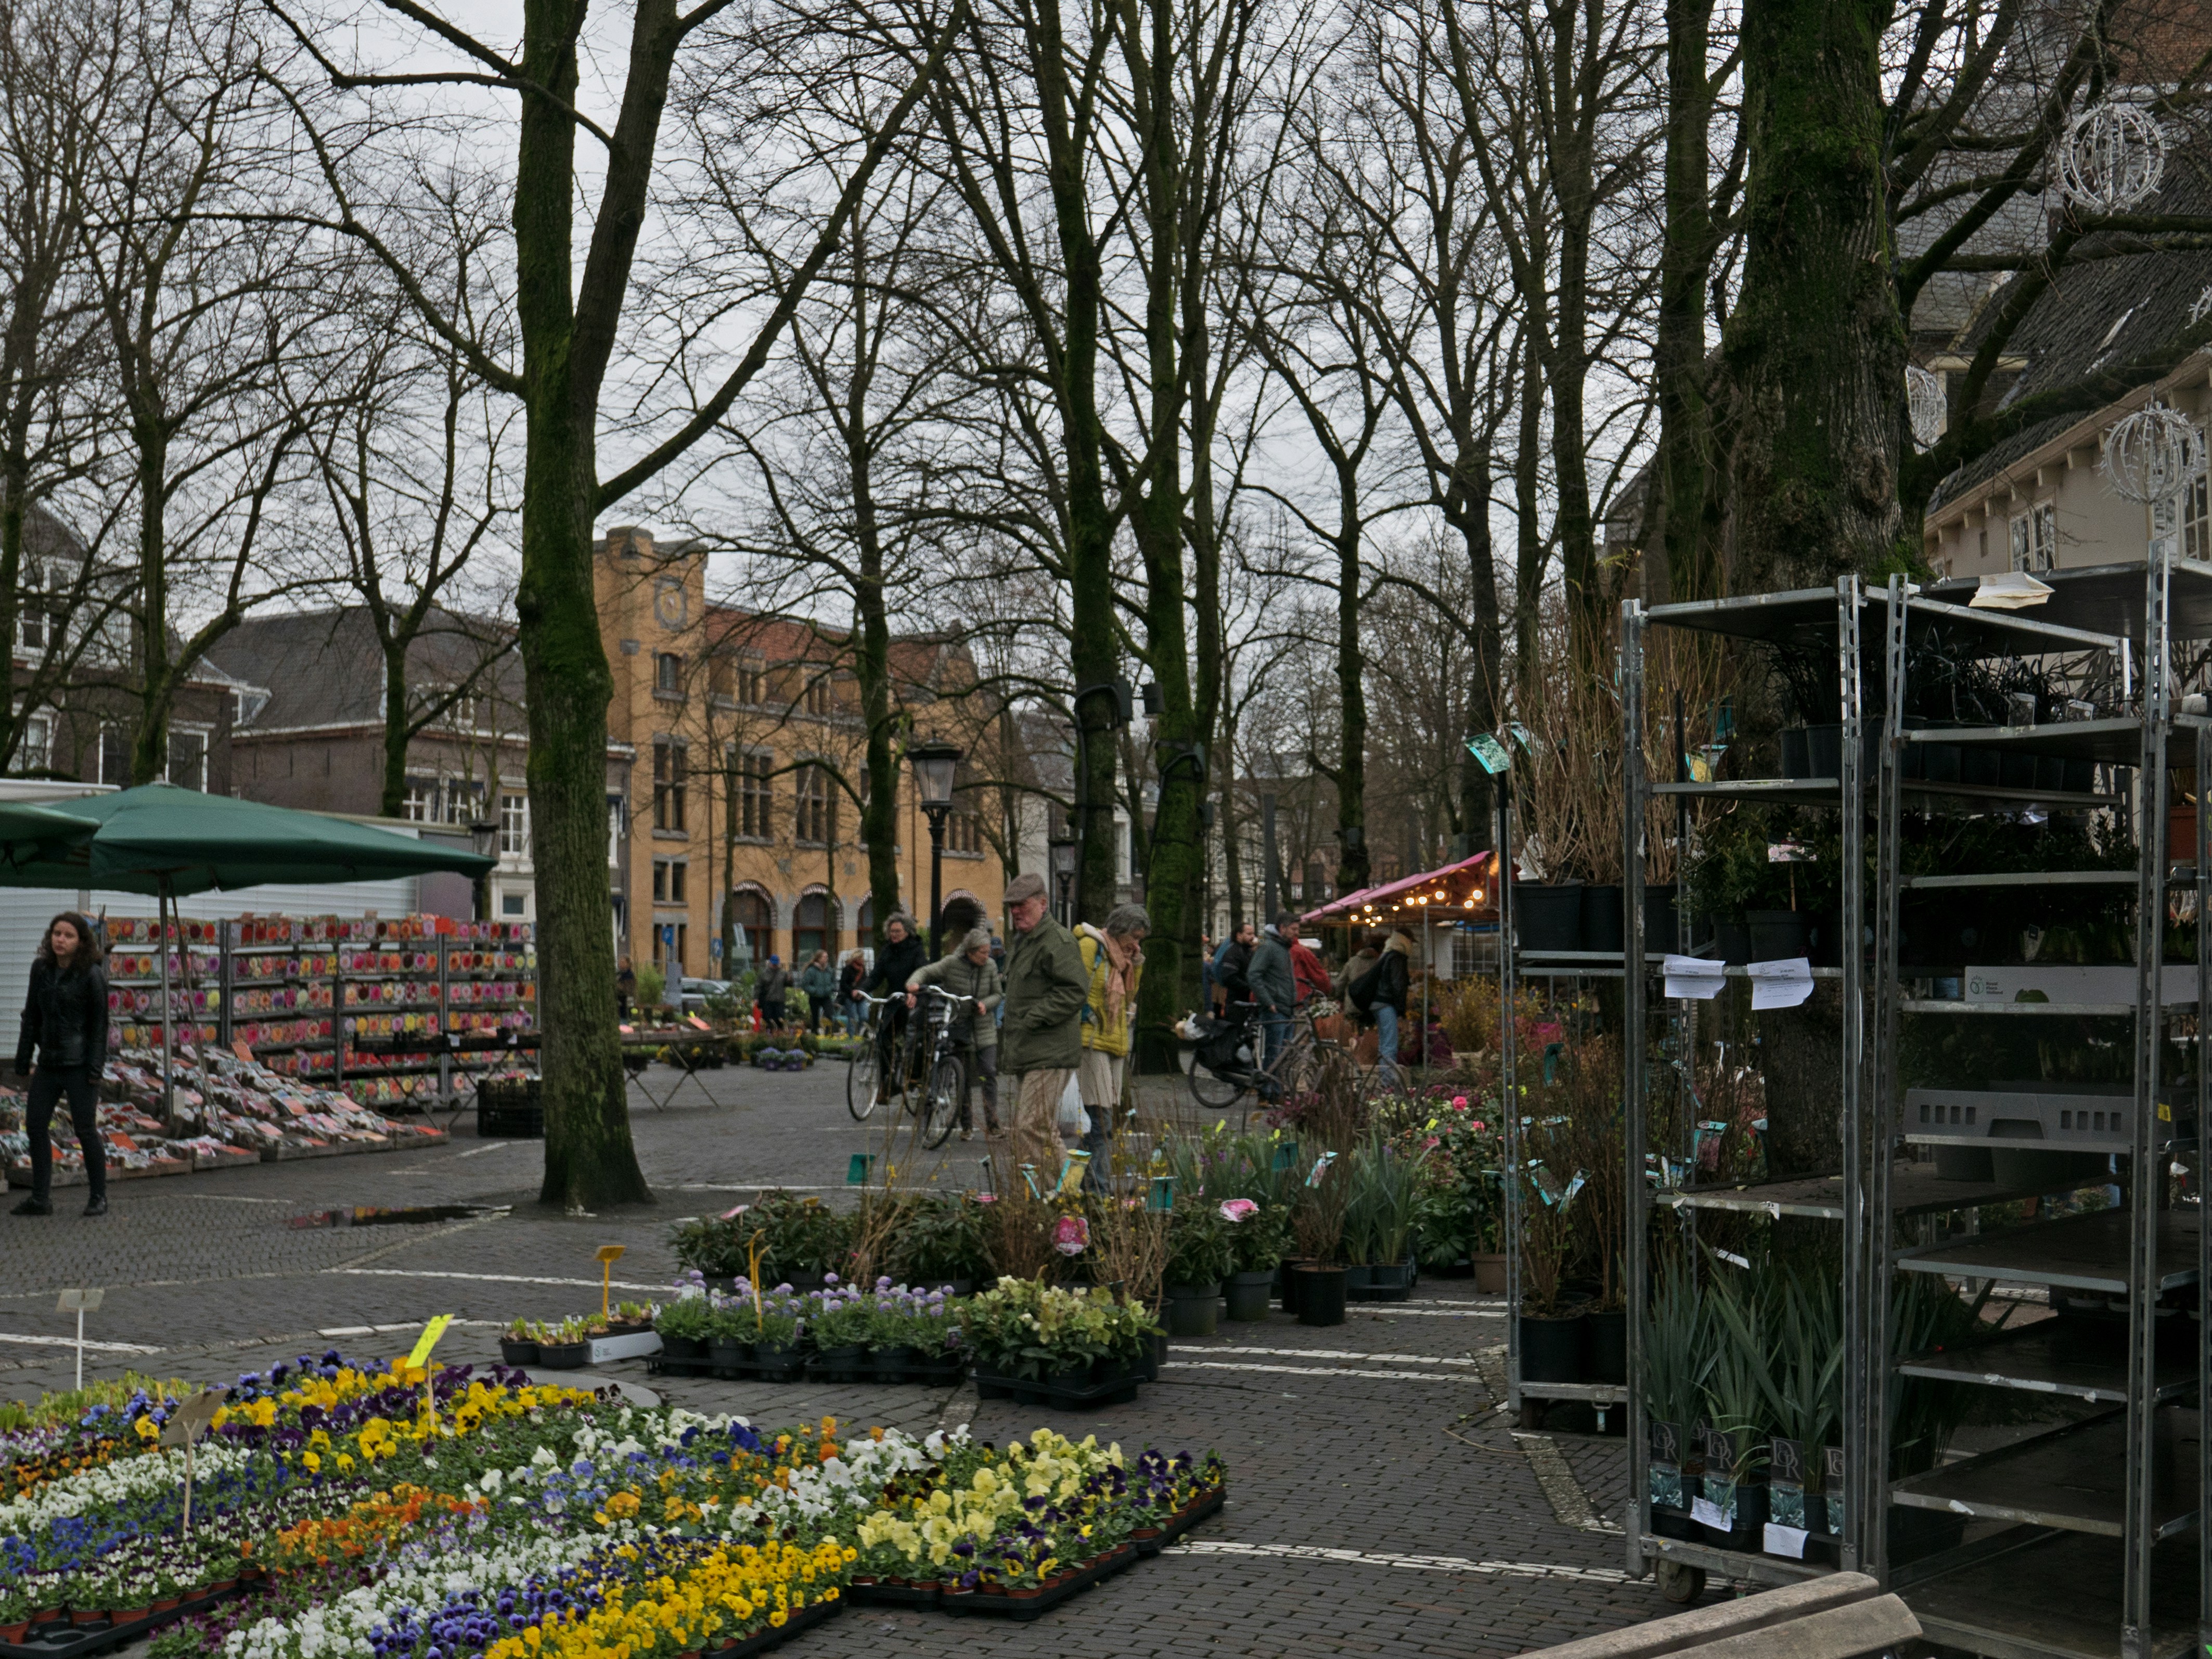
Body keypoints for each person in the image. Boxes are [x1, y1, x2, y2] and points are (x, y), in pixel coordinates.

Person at [12, 912, 110, 1217]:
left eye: (68, 935)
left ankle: (98, 1197)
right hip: (48, 1063)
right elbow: (32, 1016)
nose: (60, 940)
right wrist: (23, 1058)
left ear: (80, 942)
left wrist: (95, 1068)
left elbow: (99, 1027)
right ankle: (41, 1199)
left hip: (80, 1065)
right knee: (35, 1126)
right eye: (56, 934)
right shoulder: (40, 970)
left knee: (85, 1129)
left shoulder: (91, 975)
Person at [997, 873, 1088, 1181]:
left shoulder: (1057, 941)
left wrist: (1033, 1017)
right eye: (1011, 907)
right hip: (1032, 1050)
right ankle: (1049, 1195)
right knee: (1037, 1128)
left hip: (1050, 1051)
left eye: (1021, 905)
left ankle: (1065, 1194)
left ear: (1043, 903)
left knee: (1031, 1126)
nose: (1015, 912)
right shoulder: (1026, 942)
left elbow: (1074, 991)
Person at [905, 926, 1004, 1139]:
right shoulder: (951, 963)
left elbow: (998, 994)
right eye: (983, 953)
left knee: (989, 1073)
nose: (987, 956)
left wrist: (986, 1005)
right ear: (970, 951)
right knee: (964, 1079)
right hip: (960, 1027)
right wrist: (913, 983)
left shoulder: (990, 967)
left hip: (985, 1029)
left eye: (988, 952)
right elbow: (927, 971)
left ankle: (993, 1123)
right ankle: (966, 1125)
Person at [1075, 903, 1148, 1178]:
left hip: (1115, 1042)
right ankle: (1096, 1189)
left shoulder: (1124, 959)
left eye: (1141, 939)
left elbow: (1129, 997)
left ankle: (1080, 1182)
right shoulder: (1091, 947)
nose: (1136, 944)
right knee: (1100, 1121)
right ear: (1119, 931)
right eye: (1135, 937)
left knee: (1103, 1122)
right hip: (1091, 1041)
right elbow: (1076, 988)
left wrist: (1136, 965)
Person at [858, 913, 928, 1098]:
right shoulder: (887, 951)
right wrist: (861, 990)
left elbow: (923, 972)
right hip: (893, 1000)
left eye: (898, 931)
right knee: (882, 1039)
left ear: (907, 932)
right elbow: (876, 976)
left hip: (911, 1000)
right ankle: (887, 1081)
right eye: (892, 932)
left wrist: (915, 993)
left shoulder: (916, 949)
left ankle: (910, 1074)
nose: (894, 935)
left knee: (912, 1040)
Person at [1246, 914, 1296, 1081]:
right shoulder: (1269, 947)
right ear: (1282, 928)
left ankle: (1277, 1090)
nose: (1296, 933)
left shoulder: (1282, 948)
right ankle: (1268, 1091)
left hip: (1285, 1007)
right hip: (1276, 1008)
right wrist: (1269, 1002)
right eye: (1294, 929)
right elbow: (1254, 975)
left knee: (1282, 1053)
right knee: (1274, 1053)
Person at [1368, 929, 1417, 1077]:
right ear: (1405, 941)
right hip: (1386, 1003)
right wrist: (1401, 1010)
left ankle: (1385, 1079)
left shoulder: (1387, 954)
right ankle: (1388, 1083)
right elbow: (1398, 985)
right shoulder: (1397, 957)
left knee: (1385, 1043)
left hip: (1378, 1001)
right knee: (1390, 1045)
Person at [1210, 921, 1255, 1012]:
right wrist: (1250, 988)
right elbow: (1230, 978)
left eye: (1253, 934)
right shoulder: (1233, 952)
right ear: (1239, 935)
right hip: (1237, 1004)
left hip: (1246, 1002)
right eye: (1249, 934)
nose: (1253, 937)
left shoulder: (1248, 952)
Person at [798, 950, 836, 1035]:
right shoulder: (811, 971)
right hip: (815, 997)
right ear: (818, 958)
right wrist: (814, 991)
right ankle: (815, 1033)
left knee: (830, 1015)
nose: (826, 959)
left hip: (826, 997)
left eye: (827, 957)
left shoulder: (829, 970)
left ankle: (829, 1033)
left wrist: (830, 988)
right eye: (824, 957)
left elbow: (834, 982)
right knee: (815, 1016)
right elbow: (805, 985)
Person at [1290, 928, 1331, 1007]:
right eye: (1295, 929)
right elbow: (1319, 976)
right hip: (1299, 1000)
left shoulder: (1268, 950)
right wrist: (1327, 989)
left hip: (1272, 1003)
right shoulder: (1302, 952)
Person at [837, 949, 867, 1035]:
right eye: (861, 958)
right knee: (852, 1018)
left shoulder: (863, 969)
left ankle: (860, 1034)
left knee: (864, 1016)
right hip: (849, 997)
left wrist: (862, 991)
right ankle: (851, 1037)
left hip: (861, 996)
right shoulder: (847, 969)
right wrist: (851, 991)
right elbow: (843, 984)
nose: (863, 960)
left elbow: (866, 981)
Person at [755, 954, 788, 1030]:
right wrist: (756, 998)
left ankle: (780, 1035)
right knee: (768, 1021)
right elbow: (758, 986)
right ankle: (769, 1035)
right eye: (773, 964)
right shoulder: (764, 974)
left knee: (780, 1020)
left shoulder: (783, 973)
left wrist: (790, 980)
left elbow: (788, 985)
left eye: (776, 964)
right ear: (770, 963)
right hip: (768, 1000)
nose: (775, 966)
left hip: (780, 1000)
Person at [615, 955, 637, 1020]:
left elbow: (628, 989)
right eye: (620, 962)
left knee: (625, 1018)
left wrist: (618, 986)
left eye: (623, 962)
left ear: (628, 964)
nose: (620, 964)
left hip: (626, 1002)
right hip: (619, 1001)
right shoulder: (618, 973)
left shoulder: (629, 975)